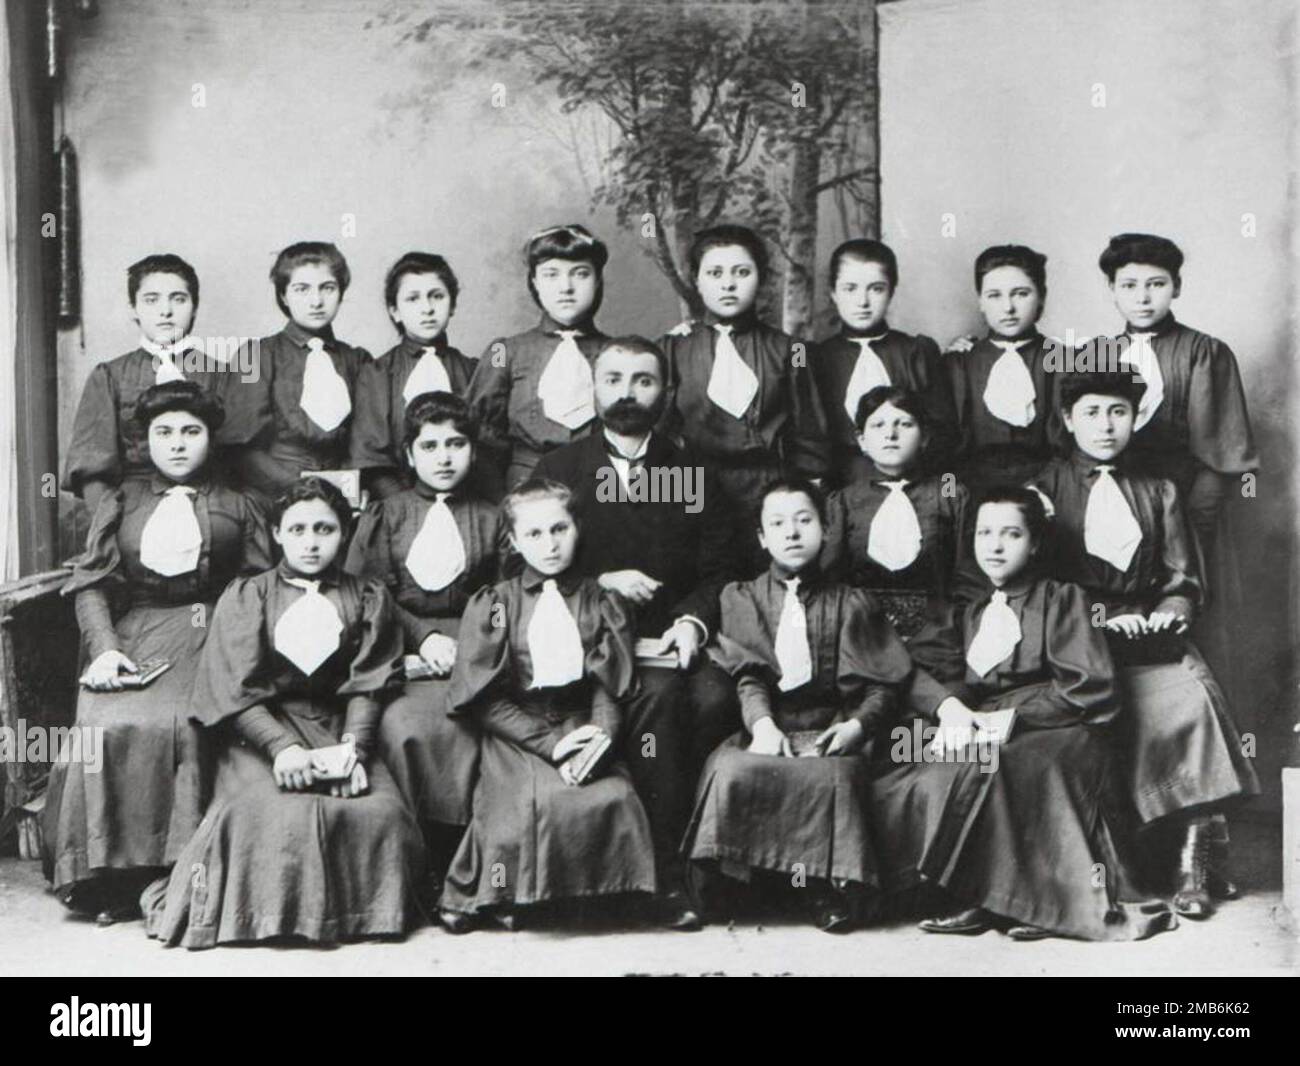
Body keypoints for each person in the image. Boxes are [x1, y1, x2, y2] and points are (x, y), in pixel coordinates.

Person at [871, 488, 1175, 941]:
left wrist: (1006, 720)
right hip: (982, 724)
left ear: (1034, 544)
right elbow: (925, 671)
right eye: (985, 534)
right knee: (915, 763)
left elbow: (1088, 689)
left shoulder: (1062, 598)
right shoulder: (964, 608)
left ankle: (1030, 904)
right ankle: (972, 894)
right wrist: (952, 710)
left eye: (1011, 534)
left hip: (1064, 728)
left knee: (1003, 765)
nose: (994, 546)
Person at [143, 477, 426, 949]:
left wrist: (353, 750)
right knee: (264, 814)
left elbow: (370, 681)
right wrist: (281, 748)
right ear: (276, 534)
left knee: (382, 816)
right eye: (297, 530)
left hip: (336, 726)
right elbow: (233, 687)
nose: (311, 542)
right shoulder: (248, 595)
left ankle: (361, 914)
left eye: (324, 529)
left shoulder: (368, 595)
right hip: (260, 729)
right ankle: (262, 917)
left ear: (345, 533)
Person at [1029, 370, 1258, 918]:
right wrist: (1100, 616)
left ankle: (1193, 865)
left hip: (1150, 637)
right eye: (1091, 414)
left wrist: (1167, 612)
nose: (1105, 426)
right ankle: (1121, 865)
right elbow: (1036, 581)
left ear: (1134, 419)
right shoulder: (1045, 487)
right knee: (1102, 723)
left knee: (1192, 699)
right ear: (1067, 421)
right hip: (1074, 640)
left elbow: (1184, 580)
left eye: (1117, 413)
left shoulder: (1159, 490)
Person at [44, 381, 274, 924]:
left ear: (209, 440)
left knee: (182, 723)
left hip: (218, 630)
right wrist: (103, 649)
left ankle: (173, 868)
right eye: (163, 432)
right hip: (135, 633)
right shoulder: (122, 502)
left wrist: (237, 640)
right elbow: (91, 583)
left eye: (190, 432)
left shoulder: (240, 505)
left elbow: (263, 586)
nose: (177, 444)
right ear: (144, 440)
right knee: (105, 725)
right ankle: (105, 871)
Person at [535, 336, 744, 926]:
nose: (628, 393)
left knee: (714, 697)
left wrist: (693, 621)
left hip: (671, 638)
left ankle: (699, 865)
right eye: (614, 379)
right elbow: (522, 560)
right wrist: (600, 581)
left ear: (667, 392)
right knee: (657, 699)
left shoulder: (691, 471)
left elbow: (721, 568)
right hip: (585, 640)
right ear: (594, 388)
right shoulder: (561, 469)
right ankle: (649, 876)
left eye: (643, 380)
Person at [685, 479, 912, 932]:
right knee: (732, 769)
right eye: (778, 524)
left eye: (804, 521)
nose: (792, 533)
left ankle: (822, 889)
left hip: (833, 724)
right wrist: (763, 727)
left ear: (825, 531)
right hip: (770, 721)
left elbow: (883, 684)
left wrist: (859, 728)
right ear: (762, 538)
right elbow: (749, 676)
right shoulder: (742, 596)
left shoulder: (852, 601)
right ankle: (736, 885)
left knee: (833, 776)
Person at [437, 479, 661, 932]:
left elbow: (609, 684)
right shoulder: (496, 603)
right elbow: (485, 699)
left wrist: (600, 738)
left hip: (581, 723)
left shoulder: (602, 600)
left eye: (560, 529)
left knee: (613, 797)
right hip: (519, 729)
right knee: (524, 806)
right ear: (515, 542)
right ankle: (500, 894)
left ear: (577, 529)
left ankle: (597, 897)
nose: (550, 545)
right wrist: (552, 744)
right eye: (535, 535)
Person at [345, 392, 501, 883]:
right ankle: (416, 868)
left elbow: (506, 596)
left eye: (456, 444)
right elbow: (368, 594)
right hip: (399, 645)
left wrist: (470, 643)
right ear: (409, 455)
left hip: (476, 649)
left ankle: (473, 867)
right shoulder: (386, 514)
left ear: (473, 451)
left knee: (478, 729)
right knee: (407, 727)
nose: (445, 457)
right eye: (430, 446)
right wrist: (424, 636)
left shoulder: (494, 517)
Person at [657, 224, 831, 572]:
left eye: (742, 272)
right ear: (697, 280)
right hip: (697, 490)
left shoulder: (790, 350)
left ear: (761, 279)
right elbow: (658, 436)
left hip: (767, 492)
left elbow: (810, 433)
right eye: (714, 273)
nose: (728, 284)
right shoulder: (673, 348)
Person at [1095, 233, 1258, 550]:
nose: (1142, 298)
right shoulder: (1098, 355)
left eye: (1156, 284)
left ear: (1177, 287)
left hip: (1184, 497)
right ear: (1112, 289)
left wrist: (1197, 516)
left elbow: (1220, 452)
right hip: (1115, 496)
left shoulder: (1204, 352)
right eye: (1129, 286)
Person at [62, 254, 226, 517]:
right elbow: (93, 470)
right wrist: (112, 525)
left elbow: (236, 461)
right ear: (133, 308)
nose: (166, 311)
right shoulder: (110, 376)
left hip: (210, 504)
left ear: (194, 306)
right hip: (133, 508)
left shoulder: (221, 374)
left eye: (179, 299)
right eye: (151, 300)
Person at [219, 242, 369, 501]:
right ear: (284, 296)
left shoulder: (358, 360)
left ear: (341, 293)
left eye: (328, 288)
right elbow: (241, 451)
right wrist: (302, 492)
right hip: (273, 495)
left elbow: (367, 445)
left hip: (344, 496)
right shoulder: (256, 356)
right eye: (302, 289)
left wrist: (349, 491)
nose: (316, 301)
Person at [465, 224, 610, 489]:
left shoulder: (617, 353)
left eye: (580, 274)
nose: (566, 287)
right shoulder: (505, 352)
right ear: (534, 282)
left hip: (600, 488)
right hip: (526, 489)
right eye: (551, 274)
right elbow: (480, 437)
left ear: (598, 279)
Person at [820, 385, 970, 637]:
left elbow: (966, 574)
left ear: (924, 437)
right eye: (878, 425)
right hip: (861, 628)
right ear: (862, 440)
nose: (890, 434)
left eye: (905, 424)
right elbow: (830, 577)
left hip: (938, 627)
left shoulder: (949, 491)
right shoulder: (844, 500)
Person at [809, 239, 957, 485]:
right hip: (842, 485)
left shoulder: (917, 351)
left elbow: (943, 433)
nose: (863, 302)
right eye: (850, 288)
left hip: (913, 482)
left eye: (876, 289)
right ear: (833, 293)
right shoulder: (817, 358)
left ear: (891, 291)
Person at [349, 252, 493, 501]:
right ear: (395, 311)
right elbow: (372, 460)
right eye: (413, 299)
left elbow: (488, 450)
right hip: (397, 503)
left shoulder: (475, 370)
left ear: (453, 305)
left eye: (437, 297)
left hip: (468, 501)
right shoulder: (377, 373)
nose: (427, 309)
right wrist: (410, 509)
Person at [946, 245, 1062, 492]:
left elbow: (1066, 447)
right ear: (980, 301)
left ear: (1042, 296)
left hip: (1047, 486)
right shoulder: (961, 363)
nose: (1008, 307)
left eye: (1021, 294)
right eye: (994, 295)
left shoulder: (1061, 360)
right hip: (974, 486)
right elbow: (950, 447)